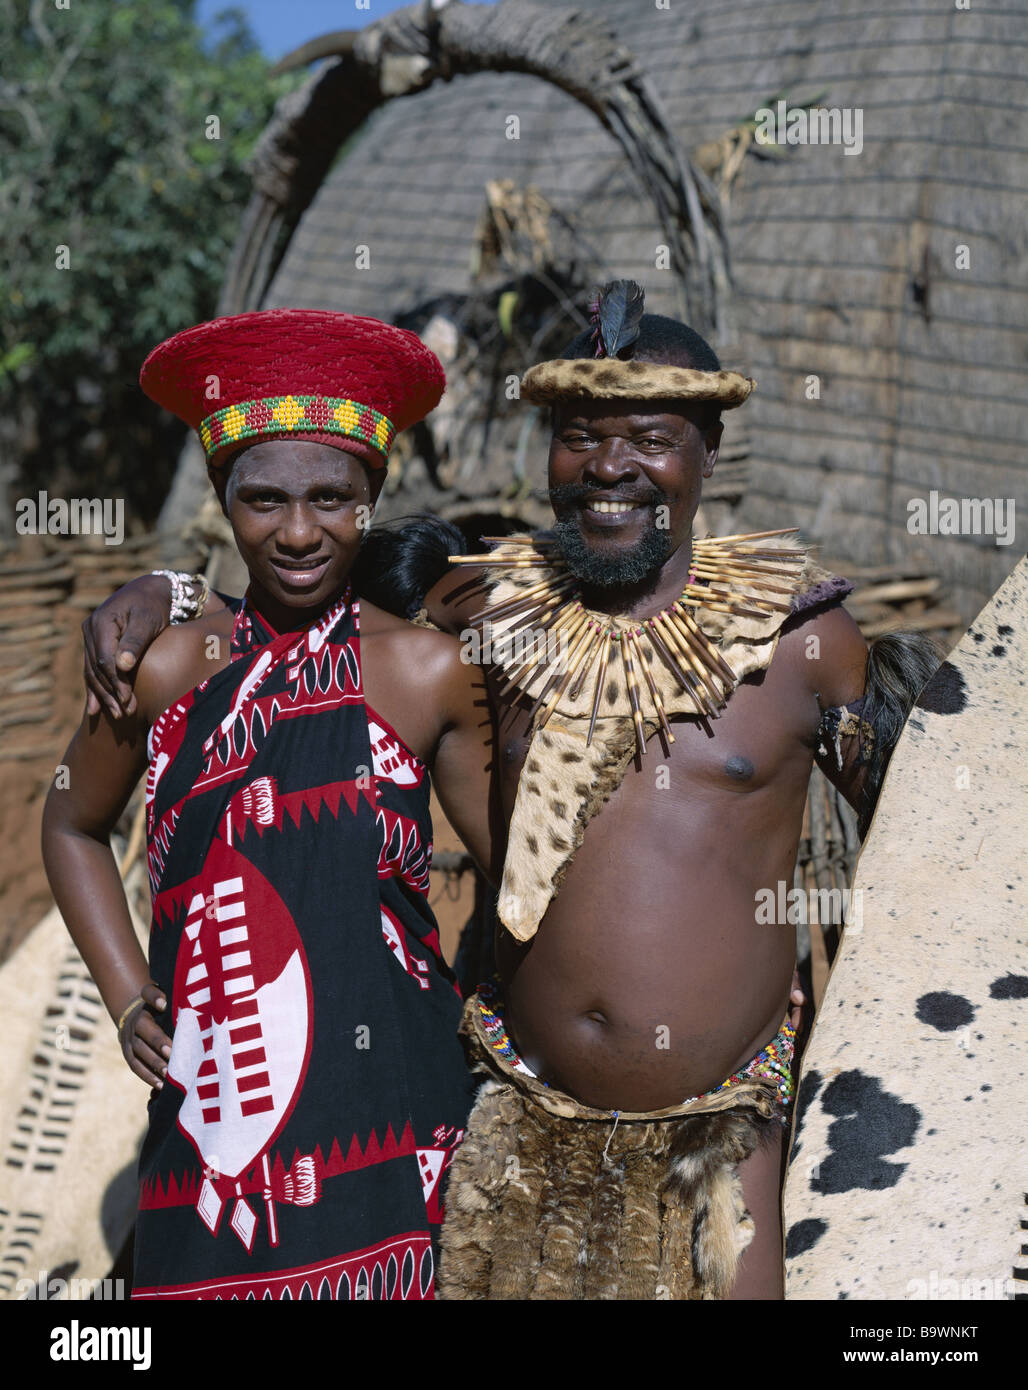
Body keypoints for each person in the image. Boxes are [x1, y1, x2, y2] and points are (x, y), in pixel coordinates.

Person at [80, 285, 935, 1299]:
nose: (609, 466)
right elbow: (299, 579)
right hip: (511, 1119)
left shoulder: (800, 646)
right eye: (578, 436)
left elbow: (920, 857)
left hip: (717, 1134)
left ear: (708, 450)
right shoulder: (482, 608)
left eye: (650, 438)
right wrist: (165, 592)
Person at [43, 308, 503, 1301]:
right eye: (262, 500)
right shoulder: (166, 667)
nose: (297, 531)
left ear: (372, 496)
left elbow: (528, 874)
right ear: (222, 498)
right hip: (214, 1144)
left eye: (332, 498)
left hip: (398, 1132)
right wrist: (130, 996)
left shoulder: (426, 673)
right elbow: (72, 822)